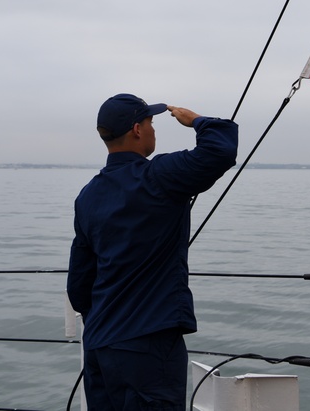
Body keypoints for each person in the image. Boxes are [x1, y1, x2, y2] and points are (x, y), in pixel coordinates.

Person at [66, 93, 238, 410]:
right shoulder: (158, 176)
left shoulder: (88, 195)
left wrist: (106, 324)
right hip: (148, 344)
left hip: (101, 346)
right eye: (151, 122)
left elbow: (79, 284)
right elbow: (221, 149)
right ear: (136, 129)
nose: (154, 129)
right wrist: (197, 120)